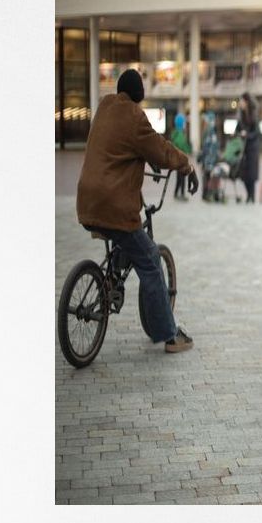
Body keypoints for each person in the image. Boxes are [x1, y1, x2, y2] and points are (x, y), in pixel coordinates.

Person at [76, 69, 200, 353]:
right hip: (114, 207)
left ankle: (107, 283)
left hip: (87, 202)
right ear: (139, 95)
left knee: (125, 241)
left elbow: (120, 149)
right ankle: (169, 335)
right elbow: (160, 149)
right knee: (151, 261)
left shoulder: (105, 109)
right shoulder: (134, 117)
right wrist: (187, 166)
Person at [237, 92, 261, 203]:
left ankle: (251, 196)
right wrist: (237, 134)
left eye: (241, 101)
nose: (240, 103)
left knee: (251, 174)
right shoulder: (241, 115)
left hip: (252, 147)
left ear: (246, 102)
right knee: (243, 174)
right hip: (244, 148)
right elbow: (237, 129)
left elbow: (257, 132)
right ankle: (248, 195)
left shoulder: (254, 113)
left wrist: (247, 135)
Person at [198, 111, 220, 201]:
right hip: (208, 160)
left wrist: (206, 159)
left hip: (209, 160)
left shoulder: (210, 132)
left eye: (206, 121)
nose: (204, 123)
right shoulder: (209, 132)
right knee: (206, 176)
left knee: (207, 176)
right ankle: (206, 194)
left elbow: (210, 148)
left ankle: (207, 194)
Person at [170, 112, 192, 200]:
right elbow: (183, 145)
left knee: (179, 177)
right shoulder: (180, 134)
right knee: (182, 177)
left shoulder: (175, 133)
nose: (185, 124)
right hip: (181, 160)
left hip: (177, 159)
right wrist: (188, 150)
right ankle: (182, 194)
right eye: (184, 122)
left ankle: (176, 193)